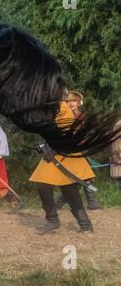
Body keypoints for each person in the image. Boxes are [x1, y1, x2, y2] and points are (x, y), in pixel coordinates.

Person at [29, 90, 95, 232]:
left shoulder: (62, 108)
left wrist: (54, 147)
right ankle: (79, 224)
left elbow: (67, 130)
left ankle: (78, 223)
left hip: (65, 153)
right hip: (57, 153)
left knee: (65, 188)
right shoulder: (53, 107)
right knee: (55, 186)